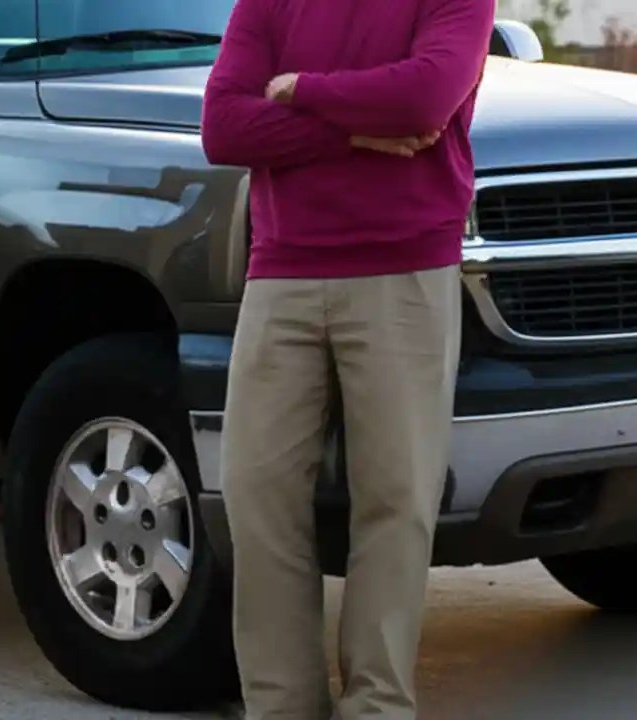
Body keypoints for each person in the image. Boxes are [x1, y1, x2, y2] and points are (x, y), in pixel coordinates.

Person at [199, 0, 495, 716]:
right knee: (256, 494)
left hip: (404, 268)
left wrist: (303, 90)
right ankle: (282, 708)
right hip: (283, 270)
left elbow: (424, 97)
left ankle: (377, 708)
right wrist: (360, 132)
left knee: (396, 503)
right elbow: (222, 126)